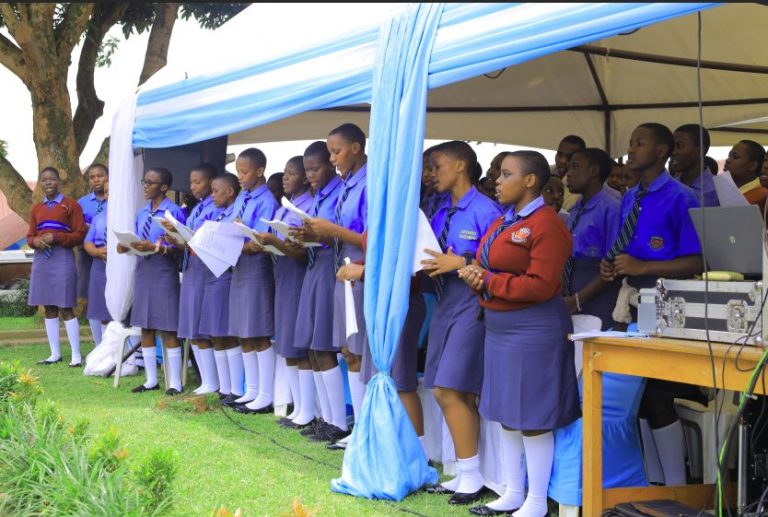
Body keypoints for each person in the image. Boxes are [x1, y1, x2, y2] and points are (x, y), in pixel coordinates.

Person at [457, 150, 579, 517]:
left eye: (506, 173)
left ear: (530, 180)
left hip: (533, 329)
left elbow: (542, 285)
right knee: (508, 413)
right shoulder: (504, 220)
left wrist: (488, 279)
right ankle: (513, 493)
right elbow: (486, 264)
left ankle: (537, 502)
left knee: (533, 417)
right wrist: (477, 277)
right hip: (499, 327)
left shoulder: (547, 223)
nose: (497, 179)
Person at [600, 122, 704, 487]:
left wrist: (644, 266)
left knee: (658, 395)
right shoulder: (630, 196)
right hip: (631, 303)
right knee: (640, 397)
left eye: (640, 143)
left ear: (662, 151)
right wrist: (613, 261)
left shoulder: (682, 197)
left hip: (670, 304)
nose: (631, 149)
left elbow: (698, 261)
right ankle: (654, 484)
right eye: (630, 142)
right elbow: (628, 247)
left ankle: (677, 488)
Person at [420, 140, 502, 505]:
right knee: (447, 388)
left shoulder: (486, 210)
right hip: (444, 303)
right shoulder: (441, 212)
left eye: (436, 166)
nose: (431, 174)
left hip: (474, 305)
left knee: (448, 390)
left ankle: (471, 475)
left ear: (460, 165)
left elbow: (502, 263)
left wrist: (463, 262)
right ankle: (465, 472)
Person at [300, 123, 368, 449]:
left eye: (336, 151)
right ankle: (345, 426)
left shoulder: (369, 183)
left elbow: (370, 237)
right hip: (342, 272)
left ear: (356, 147)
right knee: (347, 351)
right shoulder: (347, 185)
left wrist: (331, 231)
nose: (332, 158)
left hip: (359, 271)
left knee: (357, 352)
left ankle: (359, 428)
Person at [336, 230, 429, 456]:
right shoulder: (379, 212)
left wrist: (364, 271)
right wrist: (358, 266)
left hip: (400, 304)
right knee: (378, 377)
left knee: (401, 382)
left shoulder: (408, 213)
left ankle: (419, 455)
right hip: (377, 303)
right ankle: (384, 446)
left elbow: (411, 275)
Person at [252, 157, 317, 429]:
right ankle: (298, 406)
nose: (285, 178)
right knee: (287, 344)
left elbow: (302, 251)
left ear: (304, 178)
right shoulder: (283, 208)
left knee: (298, 346)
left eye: (292, 174)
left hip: (297, 277)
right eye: (286, 174)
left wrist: (276, 241)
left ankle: (307, 409)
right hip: (282, 273)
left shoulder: (308, 207)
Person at [292, 141, 348, 443]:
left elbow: (340, 231)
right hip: (314, 266)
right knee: (313, 346)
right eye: (307, 170)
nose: (310, 175)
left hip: (331, 266)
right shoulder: (318, 197)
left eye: (315, 169)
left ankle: (337, 422)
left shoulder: (340, 193)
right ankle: (325, 417)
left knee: (325, 345)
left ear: (329, 165)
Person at [117, 167, 187, 395]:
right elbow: (139, 239)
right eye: (144, 181)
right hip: (143, 272)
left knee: (168, 327)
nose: (145, 185)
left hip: (164, 272)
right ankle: (150, 380)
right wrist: (126, 246)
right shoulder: (142, 212)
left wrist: (157, 247)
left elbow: (181, 246)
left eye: (150, 182)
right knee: (145, 326)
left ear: (164, 187)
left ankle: (174, 382)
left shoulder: (173, 212)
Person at [226, 148, 280, 412]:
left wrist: (239, 241)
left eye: (244, 172)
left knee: (258, 332)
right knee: (243, 332)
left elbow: (261, 241)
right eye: (237, 171)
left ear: (259, 171)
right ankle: (252, 390)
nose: (240, 177)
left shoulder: (266, 200)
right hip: (239, 267)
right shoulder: (242, 197)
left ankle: (266, 395)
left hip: (256, 269)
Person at [165, 163, 220, 395]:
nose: (194, 187)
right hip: (191, 267)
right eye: (191, 182)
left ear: (211, 182)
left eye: (199, 182)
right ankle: (205, 380)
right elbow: (188, 241)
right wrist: (175, 234)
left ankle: (212, 381)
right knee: (190, 324)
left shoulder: (214, 207)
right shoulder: (196, 208)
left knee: (200, 325)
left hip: (204, 269)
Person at [27, 167, 87, 366]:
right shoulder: (36, 209)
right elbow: (30, 236)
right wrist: (35, 241)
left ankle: (76, 355)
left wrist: (57, 237)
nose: (48, 183)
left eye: (51, 179)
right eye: (44, 180)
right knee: (49, 307)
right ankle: (55, 353)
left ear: (59, 181)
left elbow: (79, 235)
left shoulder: (70, 205)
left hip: (62, 258)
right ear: (40, 183)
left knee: (66, 307)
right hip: (42, 260)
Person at [562, 148, 621, 329]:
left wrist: (577, 300)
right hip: (570, 296)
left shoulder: (611, 208)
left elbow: (612, 267)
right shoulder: (574, 210)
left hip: (596, 296)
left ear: (593, 171)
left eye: (575, 167)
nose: (568, 175)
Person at [198, 173, 242, 397]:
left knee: (225, 331)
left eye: (216, 190)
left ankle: (234, 388)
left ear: (230, 192)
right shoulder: (221, 213)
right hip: (212, 272)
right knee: (215, 331)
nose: (212, 195)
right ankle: (224, 387)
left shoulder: (235, 213)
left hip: (225, 274)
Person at [77, 163, 109, 346]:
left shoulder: (113, 200)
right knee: (92, 297)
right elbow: (76, 227)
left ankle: (111, 344)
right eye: (92, 177)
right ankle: (99, 345)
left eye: (100, 176)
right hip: (88, 253)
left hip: (110, 254)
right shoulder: (82, 203)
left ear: (107, 177)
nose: (96, 180)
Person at [671, 124, 719, 207]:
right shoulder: (669, 186)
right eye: (672, 146)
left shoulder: (719, 190)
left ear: (700, 150)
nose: (673, 152)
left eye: (680, 146)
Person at [725, 139, 767, 214]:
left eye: (735, 157)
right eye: (729, 156)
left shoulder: (763, 196)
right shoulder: (721, 191)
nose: (728, 160)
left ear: (752, 166)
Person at [554, 135, 586, 212]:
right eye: (559, 154)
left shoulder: (580, 191)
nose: (562, 161)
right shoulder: (545, 173)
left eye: (569, 156)